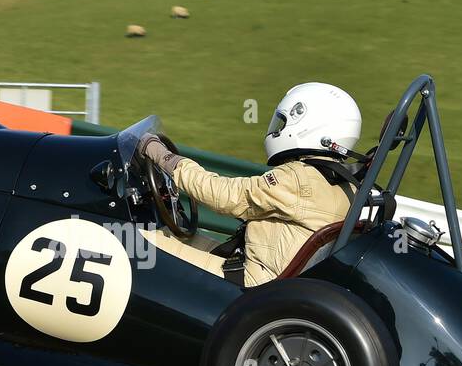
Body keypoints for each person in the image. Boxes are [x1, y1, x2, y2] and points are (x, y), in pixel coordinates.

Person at [139, 82, 362, 287]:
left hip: (249, 282)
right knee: (170, 234)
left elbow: (223, 196)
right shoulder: (347, 186)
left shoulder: (297, 178)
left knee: (136, 242)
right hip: (265, 273)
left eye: (283, 122)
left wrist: (165, 157)